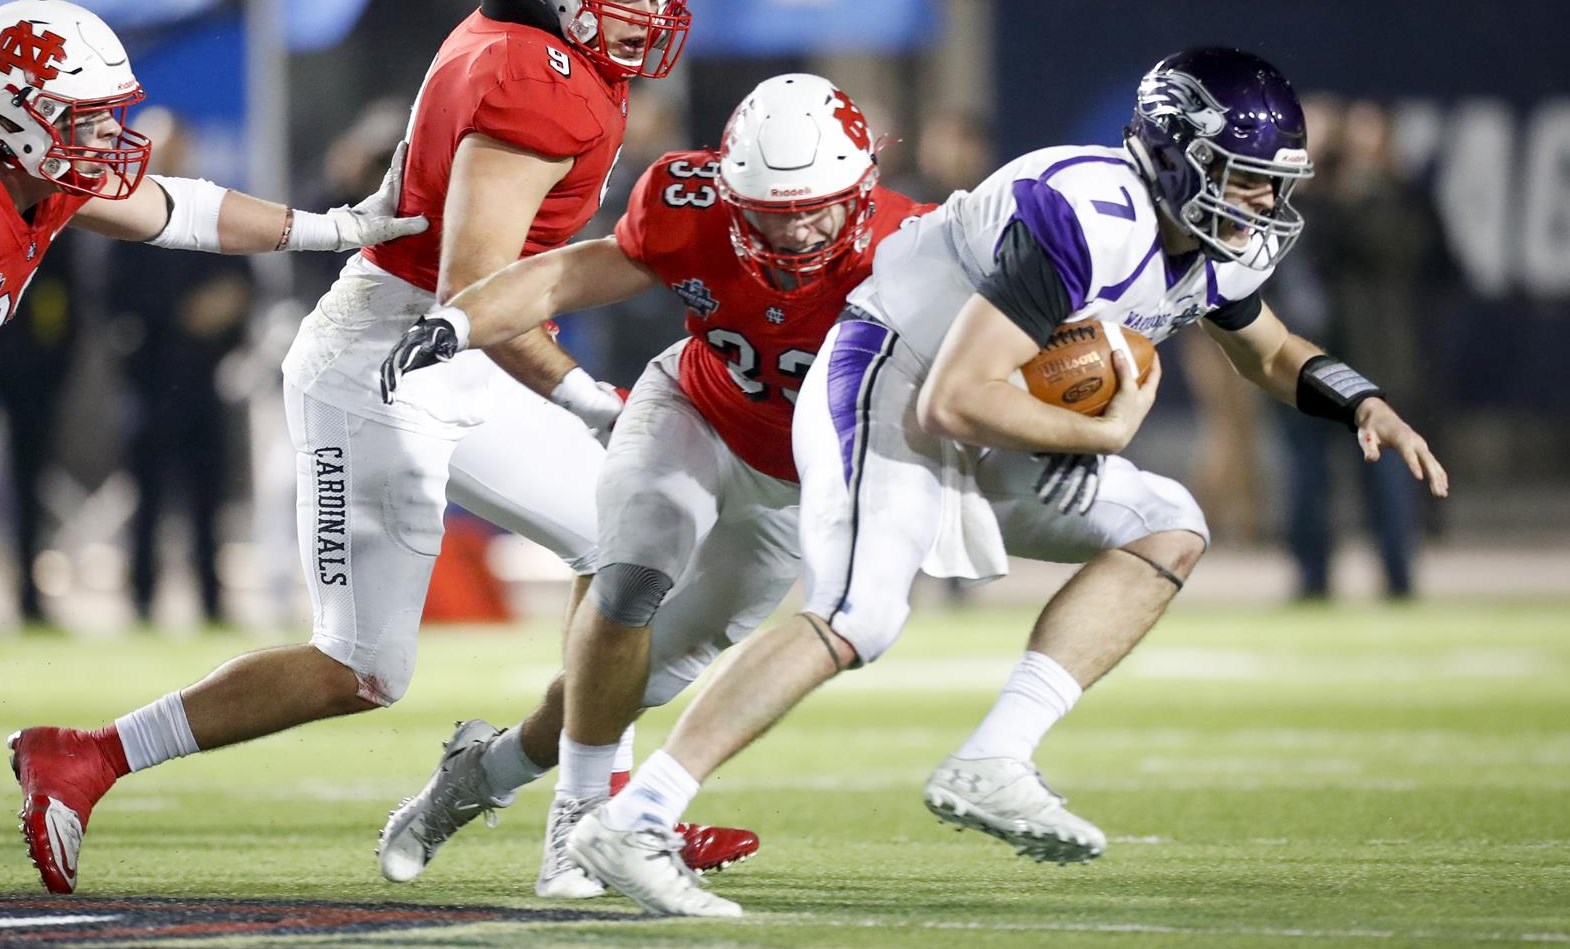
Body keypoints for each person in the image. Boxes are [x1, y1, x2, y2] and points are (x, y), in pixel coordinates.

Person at [555, 48, 1451, 917]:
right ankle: (635, 817)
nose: (1264, 202)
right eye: (1243, 175)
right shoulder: (1090, 213)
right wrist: (1093, 431)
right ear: (1176, 157)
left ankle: (994, 759)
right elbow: (953, 398)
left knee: (1168, 524)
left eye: (1272, 179)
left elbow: (1269, 349)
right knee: (860, 612)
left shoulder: (1217, 240)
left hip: (991, 402)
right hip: (891, 373)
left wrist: (1362, 401)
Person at [6, 0, 688, 896]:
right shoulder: (531, 76)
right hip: (395, 365)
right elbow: (476, 287)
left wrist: (332, 228)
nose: (103, 141)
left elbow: (169, 208)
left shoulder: (44, 171)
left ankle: (590, 815)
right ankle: (89, 756)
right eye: (80, 120)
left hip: (450, 350)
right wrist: (581, 394)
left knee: (629, 543)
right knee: (361, 668)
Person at [376, 73, 931, 906]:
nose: (795, 227)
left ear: (864, 185)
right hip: (695, 413)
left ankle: (482, 770)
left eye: (815, 205)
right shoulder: (687, 197)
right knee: (632, 571)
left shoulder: (921, 250)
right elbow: (572, 274)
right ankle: (582, 819)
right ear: (730, 187)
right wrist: (463, 317)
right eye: (771, 210)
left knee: (656, 668)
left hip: (793, 480)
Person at [109, 108, 254, 627]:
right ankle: (142, 599)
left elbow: (244, 281)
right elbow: (113, 299)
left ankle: (211, 600)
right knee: (147, 499)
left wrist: (229, 303)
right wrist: (179, 315)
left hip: (202, 378)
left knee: (206, 499)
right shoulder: (123, 214)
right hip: (149, 379)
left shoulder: (210, 208)